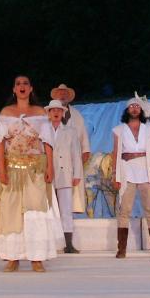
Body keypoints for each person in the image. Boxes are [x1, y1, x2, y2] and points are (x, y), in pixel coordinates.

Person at [0, 76, 62, 271]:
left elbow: (48, 142)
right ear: (14, 89)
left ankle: (37, 257)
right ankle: (12, 257)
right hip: (12, 168)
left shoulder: (39, 113)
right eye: (18, 84)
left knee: (35, 212)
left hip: (35, 170)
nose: (22, 87)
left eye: (25, 84)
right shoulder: (6, 113)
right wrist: (1, 169)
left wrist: (50, 167)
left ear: (31, 88)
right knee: (11, 211)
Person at [112, 93, 150, 259]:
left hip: (146, 172)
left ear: (141, 109)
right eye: (131, 106)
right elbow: (116, 153)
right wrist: (115, 175)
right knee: (124, 211)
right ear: (127, 110)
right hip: (127, 172)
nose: (134, 108)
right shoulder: (119, 130)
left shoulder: (149, 130)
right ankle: (122, 249)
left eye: (137, 106)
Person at [50, 83, 92, 218]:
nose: (63, 95)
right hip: (54, 159)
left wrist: (86, 150)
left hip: (71, 159)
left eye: (65, 93)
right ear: (55, 96)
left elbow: (83, 135)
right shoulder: (49, 114)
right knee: (53, 193)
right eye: (60, 93)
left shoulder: (77, 115)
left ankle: (67, 221)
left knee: (70, 193)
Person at [46, 99, 83, 253]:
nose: (56, 113)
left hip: (65, 173)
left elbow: (76, 153)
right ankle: (49, 242)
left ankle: (68, 244)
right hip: (47, 174)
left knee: (66, 209)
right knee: (48, 209)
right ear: (48, 113)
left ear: (63, 113)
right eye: (53, 110)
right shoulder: (43, 131)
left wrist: (77, 173)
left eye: (59, 110)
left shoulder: (70, 131)